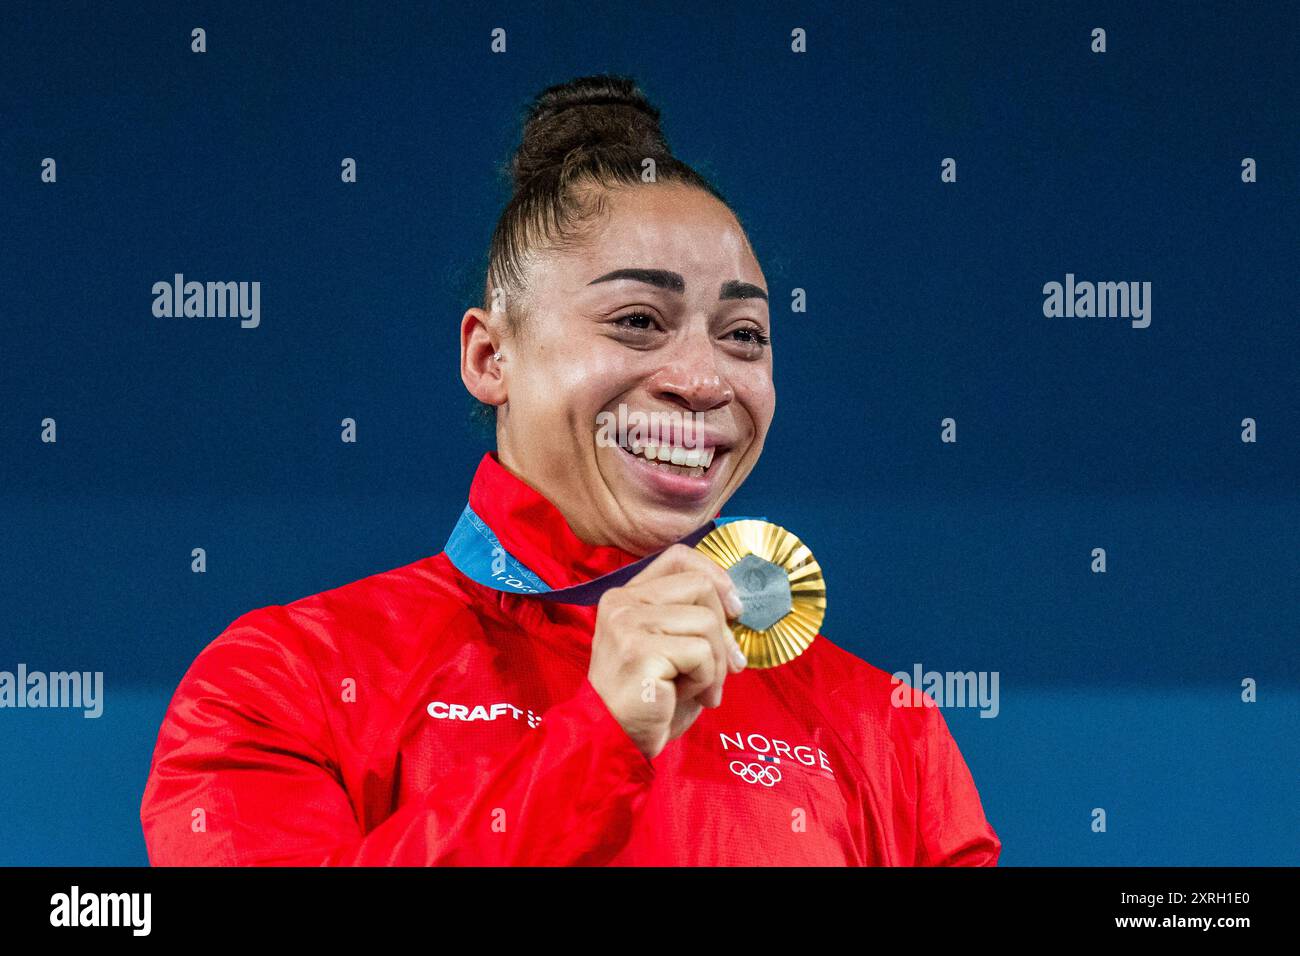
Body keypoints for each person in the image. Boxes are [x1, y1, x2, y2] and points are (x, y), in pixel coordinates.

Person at [140, 74, 1001, 866]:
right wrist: (597, 740)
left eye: (743, 336)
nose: (703, 381)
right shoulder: (282, 681)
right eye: (636, 319)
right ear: (489, 356)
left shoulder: (885, 729)